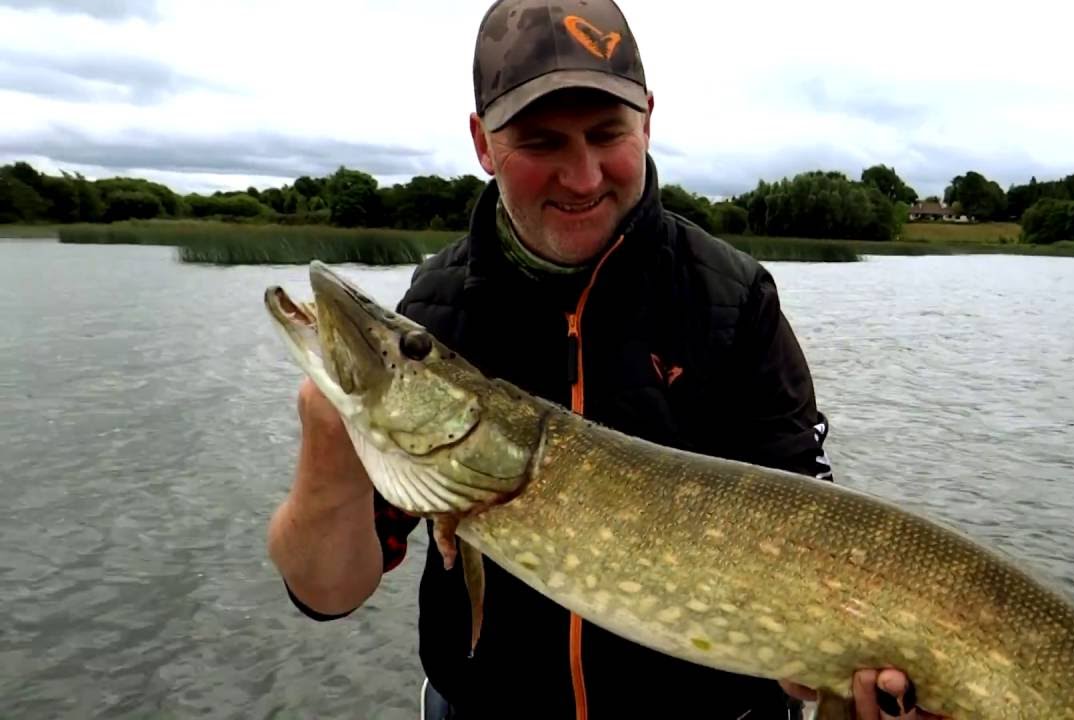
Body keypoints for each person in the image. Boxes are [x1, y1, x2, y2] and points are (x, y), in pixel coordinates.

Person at [267, 1, 936, 718]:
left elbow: (813, 533)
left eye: (607, 134)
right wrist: (328, 437)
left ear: (647, 119)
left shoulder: (735, 301)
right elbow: (328, 593)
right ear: (482, 143)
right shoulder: (437, 311)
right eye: (540, 142)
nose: (582, 177)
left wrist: (843, 670)